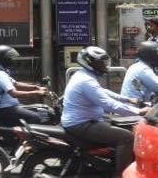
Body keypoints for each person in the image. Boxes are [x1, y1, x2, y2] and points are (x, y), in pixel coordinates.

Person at [61, 46, 148, 178]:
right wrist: (139, 111)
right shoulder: (86, 81)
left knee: (121, 126)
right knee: (126, 138)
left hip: (84, 120)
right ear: (89, 63)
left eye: (104, 62)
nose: (104, 65)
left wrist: (127, 99)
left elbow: (102, 92)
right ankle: (122, 175)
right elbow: (108, 104)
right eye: (100, 62)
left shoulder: (83, 75)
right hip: (82, 124)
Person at [0, 45, 49, 127]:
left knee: (42, 111)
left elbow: (16, 84)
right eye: (11, 58)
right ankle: (29, 139)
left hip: (9, 107)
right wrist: (37, 92)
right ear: (4, 60)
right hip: (1, 109)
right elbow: (14, 93)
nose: (14, 61)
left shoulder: (2, 71)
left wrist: (36, 87)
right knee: (36, 117)